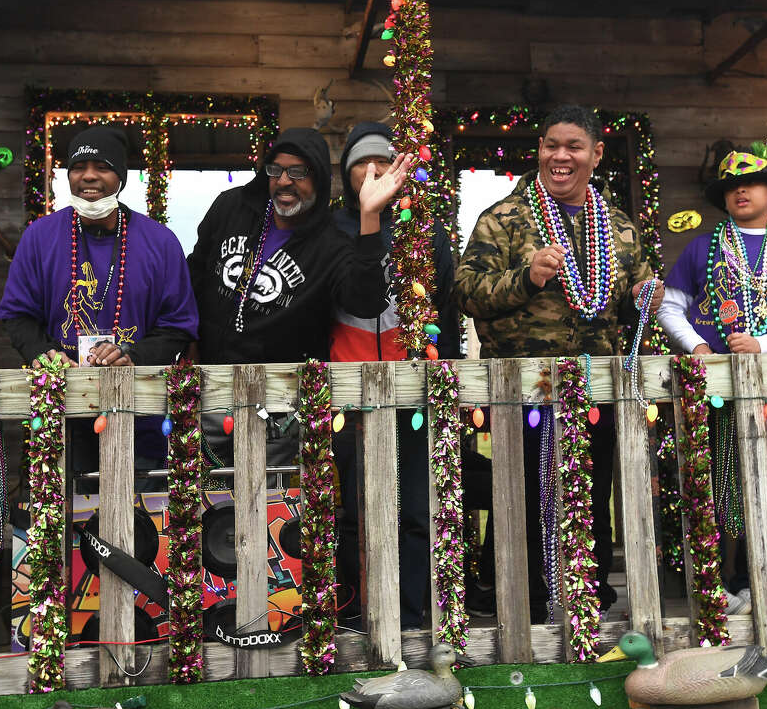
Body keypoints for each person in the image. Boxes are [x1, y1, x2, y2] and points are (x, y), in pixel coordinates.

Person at [454, 104, 663, 623]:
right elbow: (466, 291)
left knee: (590, 491)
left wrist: (645, 295)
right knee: (522, 491)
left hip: (594, 388)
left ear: (595, 154)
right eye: (552, 145)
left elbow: (636, 290)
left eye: (573, 146)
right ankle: (516, 594)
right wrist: (527, 277)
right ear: (540, 150)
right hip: (522, 386)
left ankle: (587, 591)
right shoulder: (503, 218)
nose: (560, 156)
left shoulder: (617, 225)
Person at [658, 143, 767, 614]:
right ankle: (725, 582)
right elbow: (672, 308)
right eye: (731, 188)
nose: (740, 192)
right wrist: (699, 348)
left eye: (749, 184)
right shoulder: (702, 247)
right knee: (721, 480)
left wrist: (762, 345)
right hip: (716, 391)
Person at [0, 125, 198, 475]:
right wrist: (46, 355)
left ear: (120, 176)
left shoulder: (161, 243)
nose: (89, 176)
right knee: (62, 522)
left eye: (102, 166)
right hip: (60, 416)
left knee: (140, 523)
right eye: (78, 167)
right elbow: (17, 315)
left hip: (140, 418)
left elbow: (177, 326)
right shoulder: (39, 237)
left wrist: (132, 358)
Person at [328, 122, 458, 629]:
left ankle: (410, 614)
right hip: (346, 391)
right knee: (353, 510)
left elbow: (444, 313)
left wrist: (441, 375)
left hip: (413, 391)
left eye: (384, 159)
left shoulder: (427, 231)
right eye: (362, 162)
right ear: (347, 174)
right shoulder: (331, 228)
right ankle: (356, 611)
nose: (374, 170)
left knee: (415, 510)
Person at [187, 126, 410, 365]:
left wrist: (370, 214)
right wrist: (188, 342)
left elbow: (366, 303)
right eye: (276, 170)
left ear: (319, 178)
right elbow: (193, 276)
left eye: (297, 172)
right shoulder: (230, 207)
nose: (284, 181)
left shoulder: (330, 245)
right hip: (207, 372)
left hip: (283, 389)